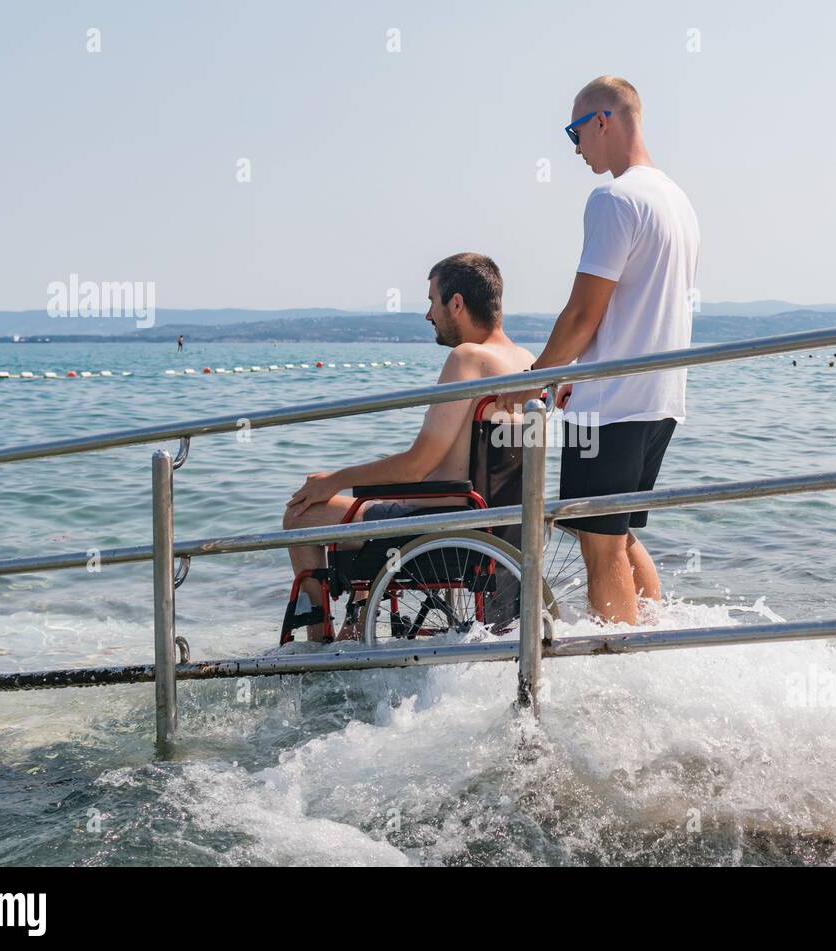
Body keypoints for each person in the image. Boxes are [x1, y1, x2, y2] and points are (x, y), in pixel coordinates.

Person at [499, 76, 700, 625]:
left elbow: (585, 312)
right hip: (660, 399)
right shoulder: (677, 200)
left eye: (575, 132)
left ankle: (620, 658)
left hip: (613, 405)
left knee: (600, 544)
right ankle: (654, 634)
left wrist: (534, 378)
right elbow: (636, 312)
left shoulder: (614, 198)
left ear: (603, 121)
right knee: (619, 533)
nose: (575, 148)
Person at [283, 253, 536, 639]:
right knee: (367, 503)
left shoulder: (467, 358)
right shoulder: (527, 361)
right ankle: (358, 617)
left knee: (301, 514)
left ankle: (318, 643)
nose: (428, 314)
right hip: (503, 528)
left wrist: (334, 480)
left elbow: (418, 466)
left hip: (443, 525)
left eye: (431, 301)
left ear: (457, 303)